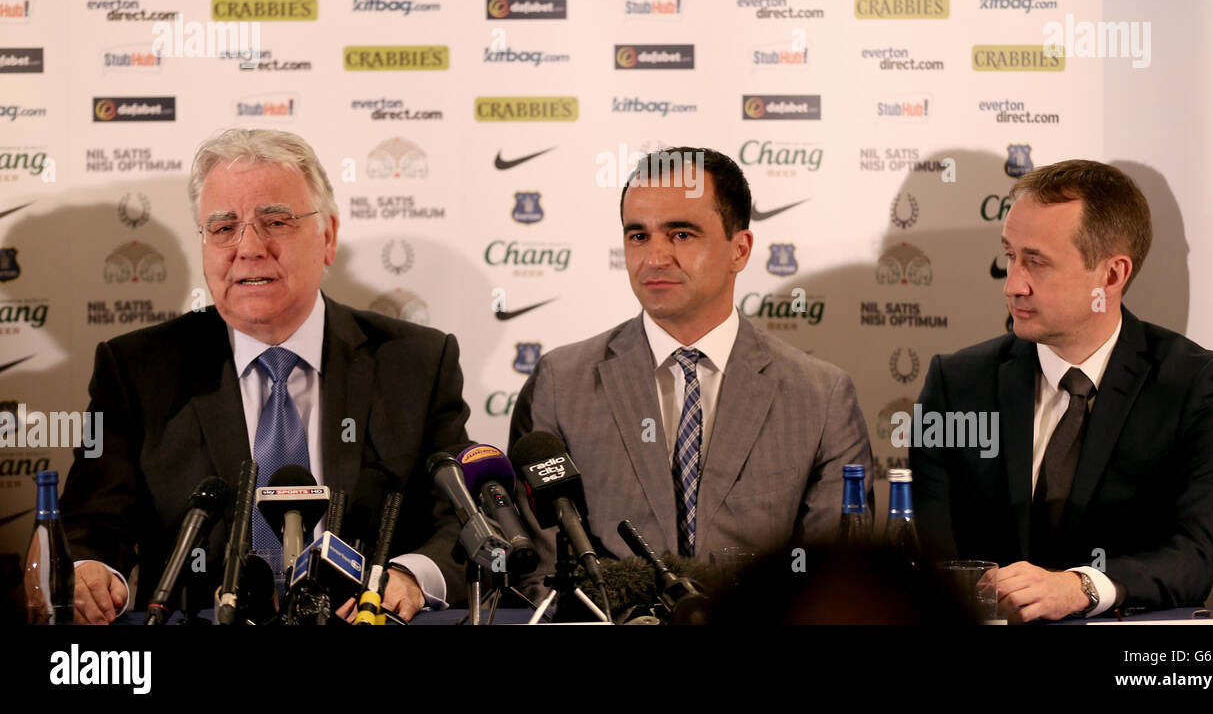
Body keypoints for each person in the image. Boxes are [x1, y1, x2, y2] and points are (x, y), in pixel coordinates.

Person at [60, 129, 471, 623]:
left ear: (328, 237)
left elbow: (459, 518)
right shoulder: (136, 370)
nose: (249, 247)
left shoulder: (417, 362)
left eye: (275, 221)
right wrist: (92, 570)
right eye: (223, 227)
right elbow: (93, 523)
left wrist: (408, 576)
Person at [509, 147, 872, 591]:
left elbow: (835, 580)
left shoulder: (820, 397)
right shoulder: (560, 384)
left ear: (739, 250)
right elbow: (540, 574)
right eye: (638, 236)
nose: (655, 257)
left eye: (681, 234)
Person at [911, 160, 1213, 620]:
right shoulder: (956, 385)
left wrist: (1081, 587)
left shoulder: (1197, 387)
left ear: (1110, 276)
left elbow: (1195, 554)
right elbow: (935, 562)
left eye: (1036, 262)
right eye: (1010, 256)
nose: (1013, 285)